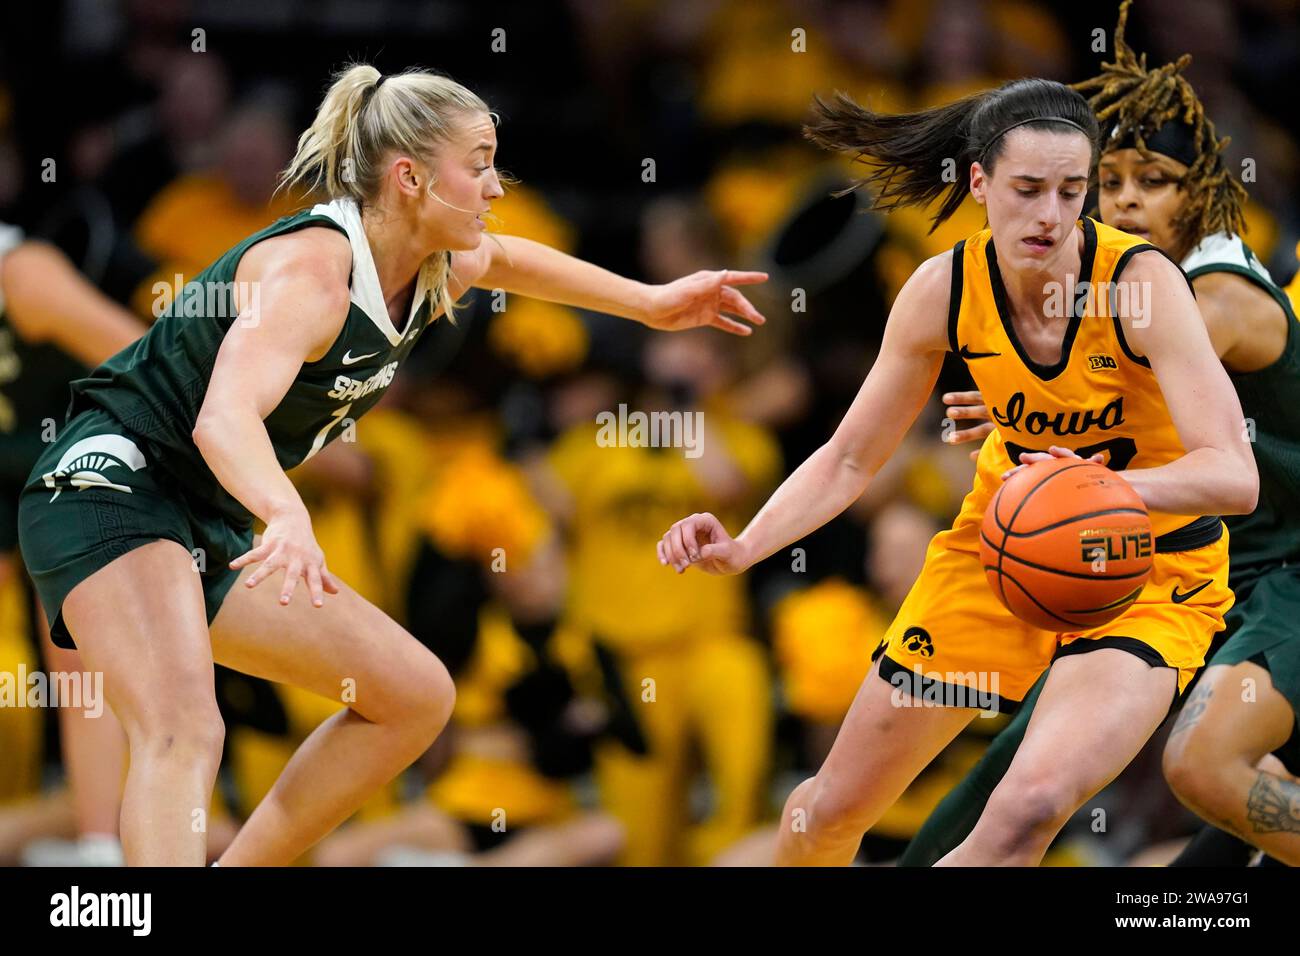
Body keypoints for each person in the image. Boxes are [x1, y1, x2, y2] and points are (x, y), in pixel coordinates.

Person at [17, 63, 768, 867]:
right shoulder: (312, 275)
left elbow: (515, 261)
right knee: (182, 726)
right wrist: (286, 512)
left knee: (413, 697)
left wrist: (652, 304)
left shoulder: (435, 260)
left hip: (199, 514)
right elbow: (222, 417)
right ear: (409, 176)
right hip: (110, 486)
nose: (495, 186)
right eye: (477, 163)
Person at [657, 75, 1257, 866]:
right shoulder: (942, 290)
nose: (1050, 214)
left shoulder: (1141, 286)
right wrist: (747, 545)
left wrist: (1092, 492)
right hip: (999, 556)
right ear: (978, 182)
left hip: (1145, 574)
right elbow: (847, 457)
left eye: (1072, 191)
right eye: (1028, 189)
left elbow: (1233, 474)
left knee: (1029, 809)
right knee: (827, 812)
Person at [904, 0, 1300, 867]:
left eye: (1149, 179)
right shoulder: (1119, 284)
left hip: (1272, 572)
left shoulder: (1210, 294)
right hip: (1205, 565)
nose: (1121, 200)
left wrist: (1015, 396)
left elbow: (1112, 374)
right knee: (1142, 857)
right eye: (1107, 181)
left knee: (1160, 775)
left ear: (1204, 191)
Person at [0, 223, 145, 864]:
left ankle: (98, 850)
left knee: (76, 654)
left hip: (69, 466)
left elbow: (147, 358)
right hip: (10, 469)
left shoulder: (23, 275)